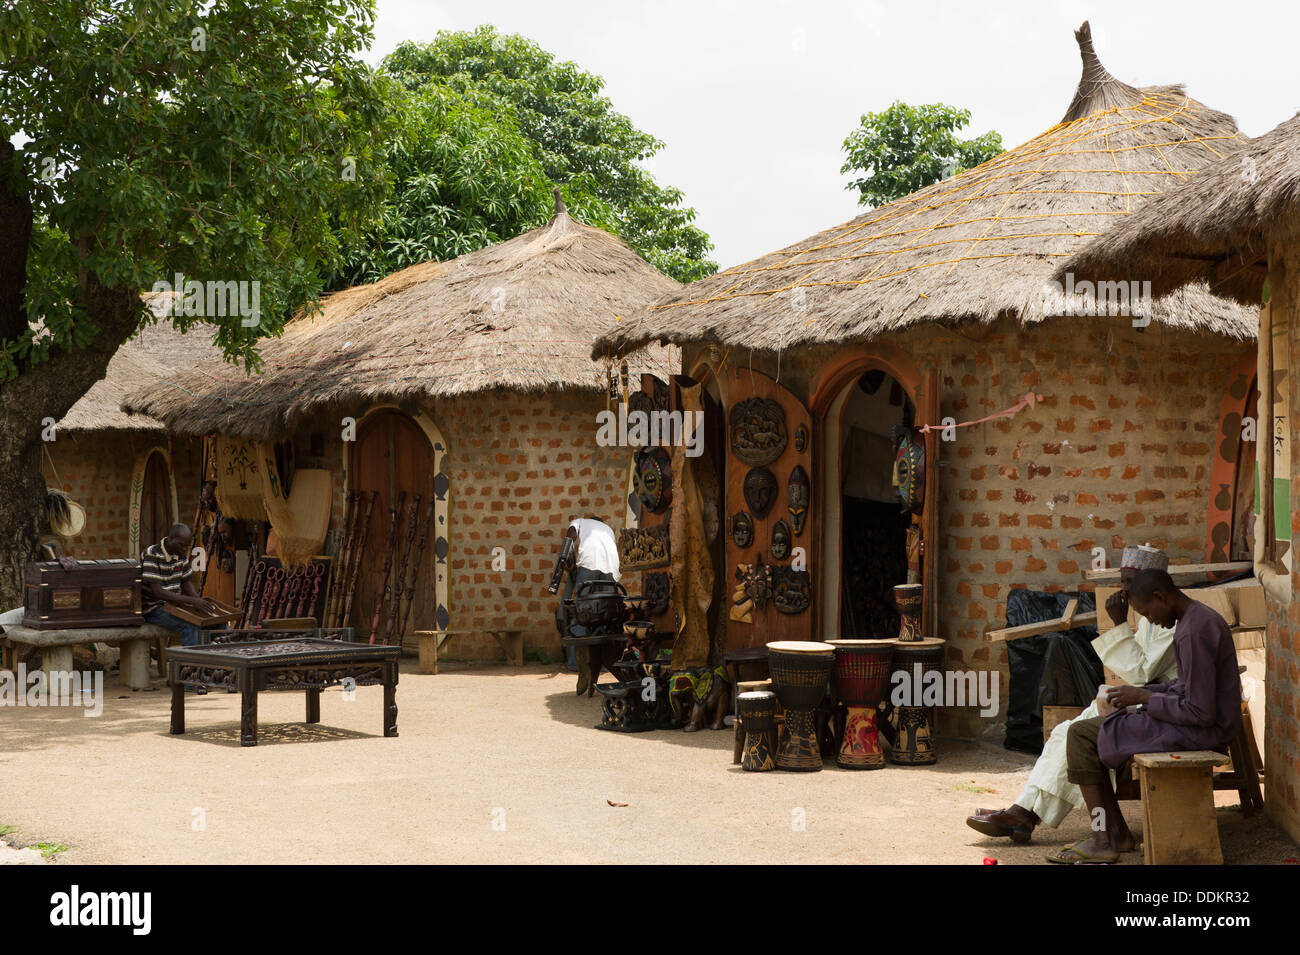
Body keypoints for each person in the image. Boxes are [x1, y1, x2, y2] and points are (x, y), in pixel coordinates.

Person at [966, 544, 1176, 843]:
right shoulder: (1149, 618)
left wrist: (1118, 624)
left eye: (1130, 583)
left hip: (1160, 708)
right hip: (1145, 701)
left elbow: (1139, 673)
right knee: (1064, 732)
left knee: (1075, 736)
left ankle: (1026, 814)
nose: (1124, 590)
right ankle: (1024, 811)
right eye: (1123, 581)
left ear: (1155, 586)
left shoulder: (1169, 621)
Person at [1047, 568, 1241, 864]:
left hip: (1205, 731)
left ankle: (1102, 838)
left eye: (1147, 612)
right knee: (1090, 731)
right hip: (1201, 723)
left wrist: (1144, 698)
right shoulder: (1197, 618)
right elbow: (1185, 686)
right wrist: (1142, 695)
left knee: (1081, 736)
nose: (1150, 620)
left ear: (1160, 597)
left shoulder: (1193, 631)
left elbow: (1200, 711)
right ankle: (1116, 835)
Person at [551, 516, 621, 695]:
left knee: (582, 614)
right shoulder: (608, 530)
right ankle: (604, 662)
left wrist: (564, 561)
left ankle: (578, 665)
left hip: (589, 564)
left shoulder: (579, 522)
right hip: (611, 567)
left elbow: (570, 538)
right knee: (605, 616)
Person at [141, 524, 212, 648]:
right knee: (191, 625)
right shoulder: (152, 554)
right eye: (182, 545)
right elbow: (158, 592)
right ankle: (191, 665)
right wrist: (192, 600)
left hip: (172, 605)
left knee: (210, 622)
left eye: (187, 546)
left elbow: (185, 582)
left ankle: (206, 662)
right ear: (171, 538)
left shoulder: (180, 553)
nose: (185, 549)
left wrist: (198, 601)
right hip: (153, 609)